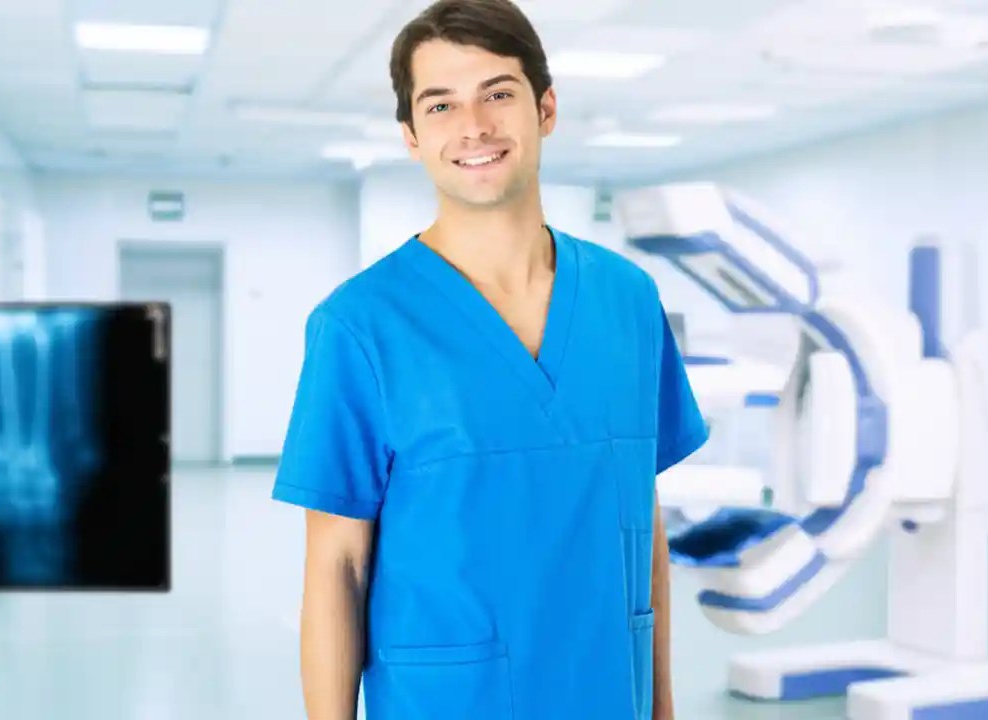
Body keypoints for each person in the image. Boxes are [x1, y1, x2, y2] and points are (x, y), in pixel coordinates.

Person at [270, 1, 708, 718]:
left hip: (606, 695)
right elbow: (335, 568)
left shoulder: (628, 299)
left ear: (546, 109)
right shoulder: (359, 325)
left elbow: (644, 517)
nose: (473, 126)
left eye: (498, 93)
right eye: (440, 105)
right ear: (411, 136)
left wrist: (661, 706)